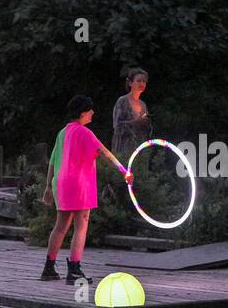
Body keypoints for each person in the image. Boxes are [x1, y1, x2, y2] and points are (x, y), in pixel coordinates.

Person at [40, 95, 132, 284]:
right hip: (79, 184)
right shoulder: (85, 133)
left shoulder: (62, 133)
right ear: (83, 112)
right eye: (90, 109)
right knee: (81, 225)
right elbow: (104, 152)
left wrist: (48, 186)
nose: (93, 112)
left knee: (60, 226)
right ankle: (74, 269)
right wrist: (124, 171)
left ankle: (49, 268)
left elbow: (52, 162)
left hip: (62, 183)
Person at [111, 68, 152, 159]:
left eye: (144, 81)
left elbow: (147, 130)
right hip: (124, 149)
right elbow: (117, 126)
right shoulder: (122, 101)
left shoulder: (143, 105)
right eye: (138, 81)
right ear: (130, 83)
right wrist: (135, 122)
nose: (142, 84)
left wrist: (147, 123)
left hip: (140, 149)